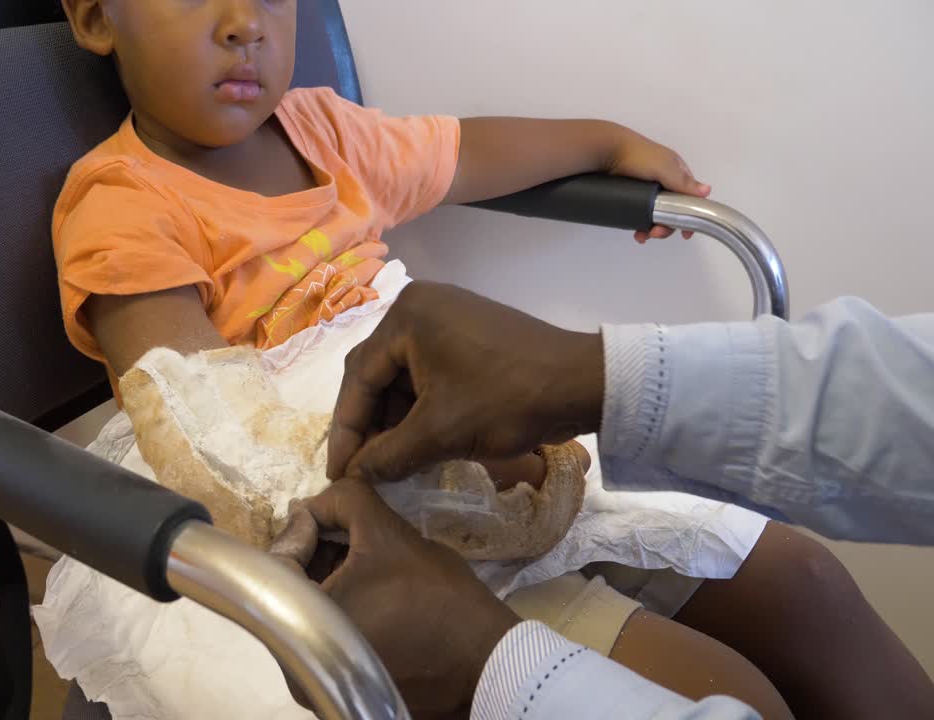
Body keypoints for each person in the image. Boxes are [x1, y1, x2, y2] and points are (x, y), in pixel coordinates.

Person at [50, 1, 919, 716]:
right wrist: (456, 474)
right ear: (95, 16)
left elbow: (465, 150)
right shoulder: (124, 206)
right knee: (737, 698)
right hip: (338, 503)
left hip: (463, 415)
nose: (245, 21)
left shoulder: (323, 131)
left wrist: (607, 140)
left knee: (807, 585)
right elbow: (212, 440)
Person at [301, 281, 934, 717]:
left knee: (806, 582)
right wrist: (601, 377)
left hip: (455, 442)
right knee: (732, 687)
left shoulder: (333, 144)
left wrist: (487, 670)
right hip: (380, 493)